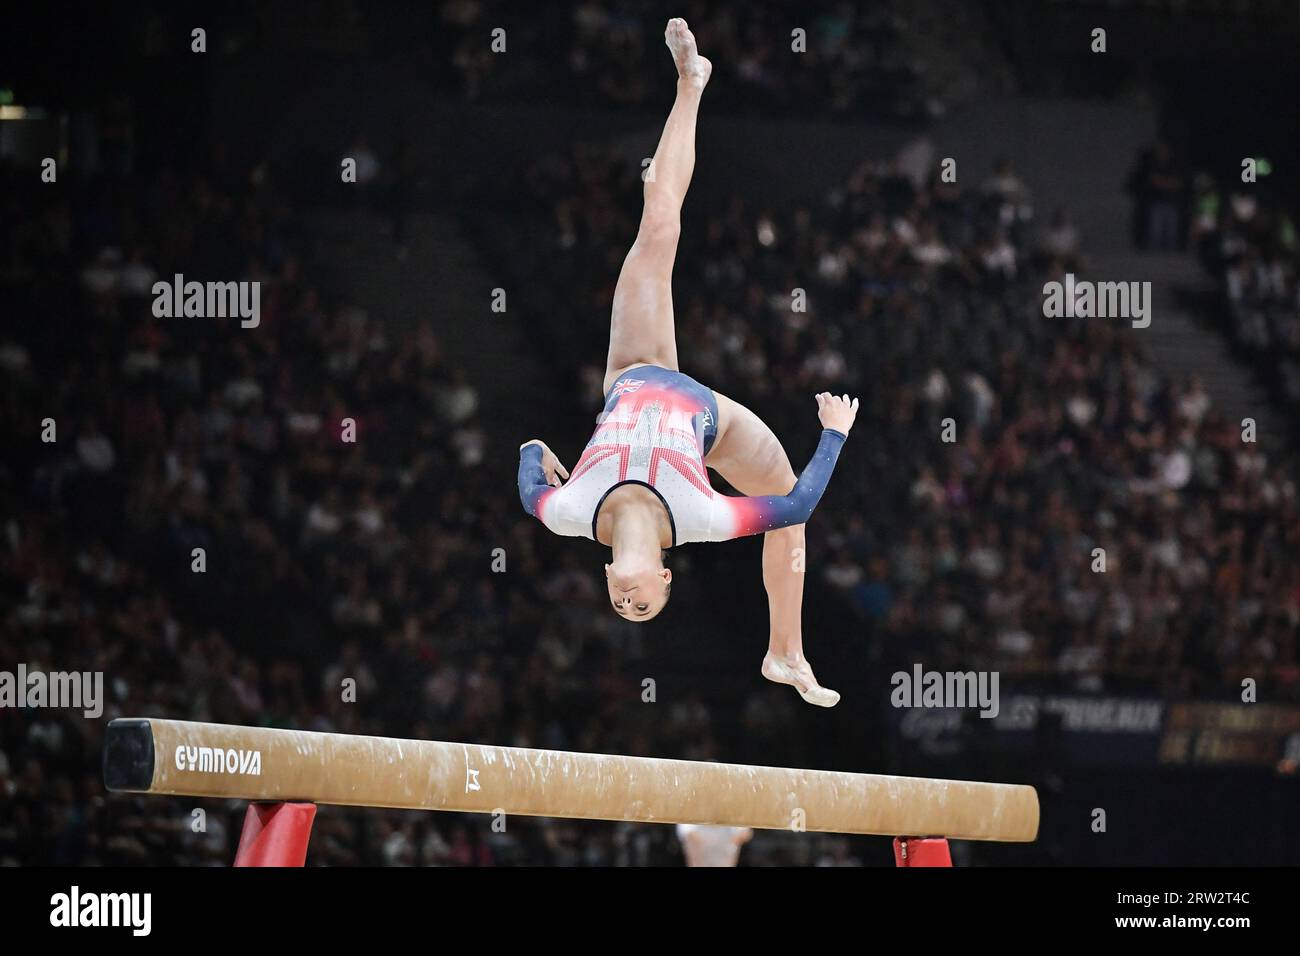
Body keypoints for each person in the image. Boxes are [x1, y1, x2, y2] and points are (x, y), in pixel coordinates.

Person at [517, 19, 858, 706]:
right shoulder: (699, 518)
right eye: (644, 606)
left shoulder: (566, 513)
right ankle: (785, 651)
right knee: (788, 509)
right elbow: (796, 503)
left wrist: (546, 458)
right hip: (712, 420)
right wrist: (834, 434)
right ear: (666, 578)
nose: (629, 602)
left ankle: (690, 82)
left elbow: (527, 455)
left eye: (623, 607)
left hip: (634, 371)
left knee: (659, 221)